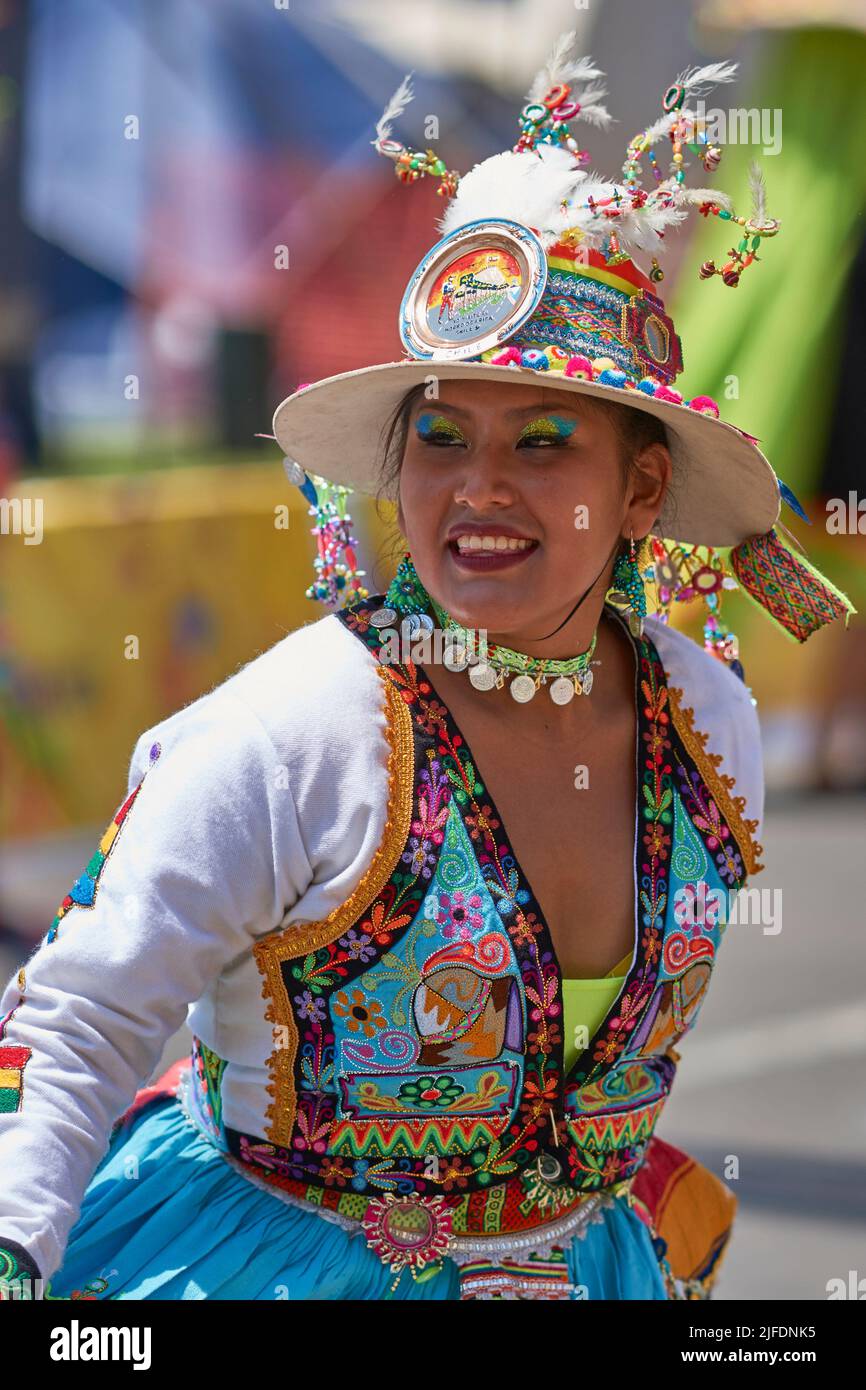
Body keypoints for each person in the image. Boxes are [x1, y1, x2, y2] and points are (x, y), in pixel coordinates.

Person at [0, 38, 853, 1302]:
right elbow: (77, 1020)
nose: (478, 486)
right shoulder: (297, 729)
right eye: (439, 435)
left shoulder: (703, 714)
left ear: (642, 488)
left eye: (543, 439)